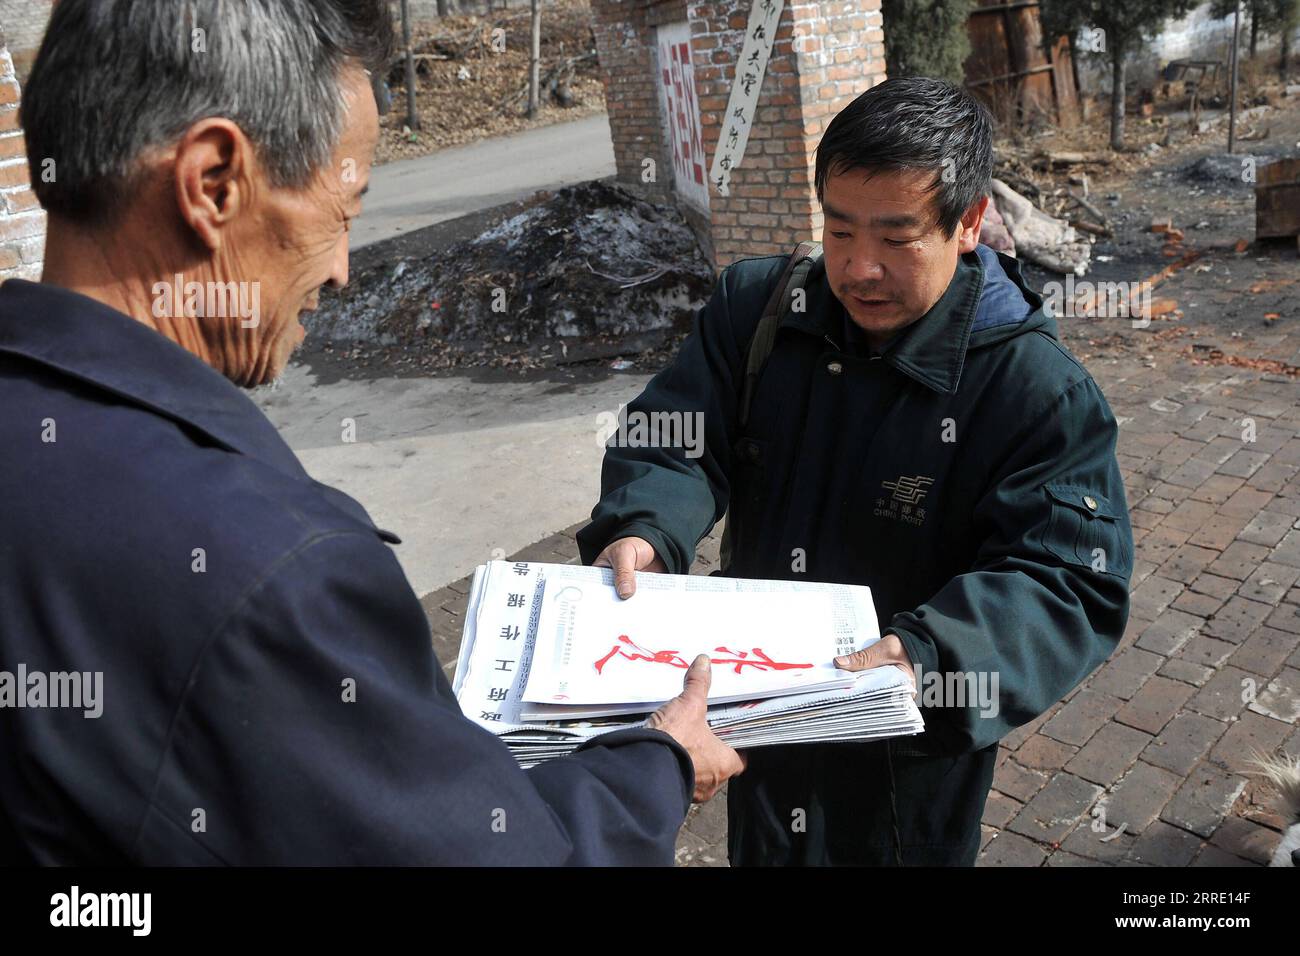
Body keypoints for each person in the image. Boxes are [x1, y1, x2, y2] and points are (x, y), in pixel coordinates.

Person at [0, 0, 743, 866]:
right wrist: (655, 767)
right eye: (344, 209)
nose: (343, 268)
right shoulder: (269, 568)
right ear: (212, 183)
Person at [579, 76, 1133, 866]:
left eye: (895, 237)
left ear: (970, 222)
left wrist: (933, 655)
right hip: (758, 724)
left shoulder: (1036, 392)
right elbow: (675, 438)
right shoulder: (760, 311)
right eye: (839, 231)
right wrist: (645, 526)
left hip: (904, 758)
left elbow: (1067, 578)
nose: (858, 268)